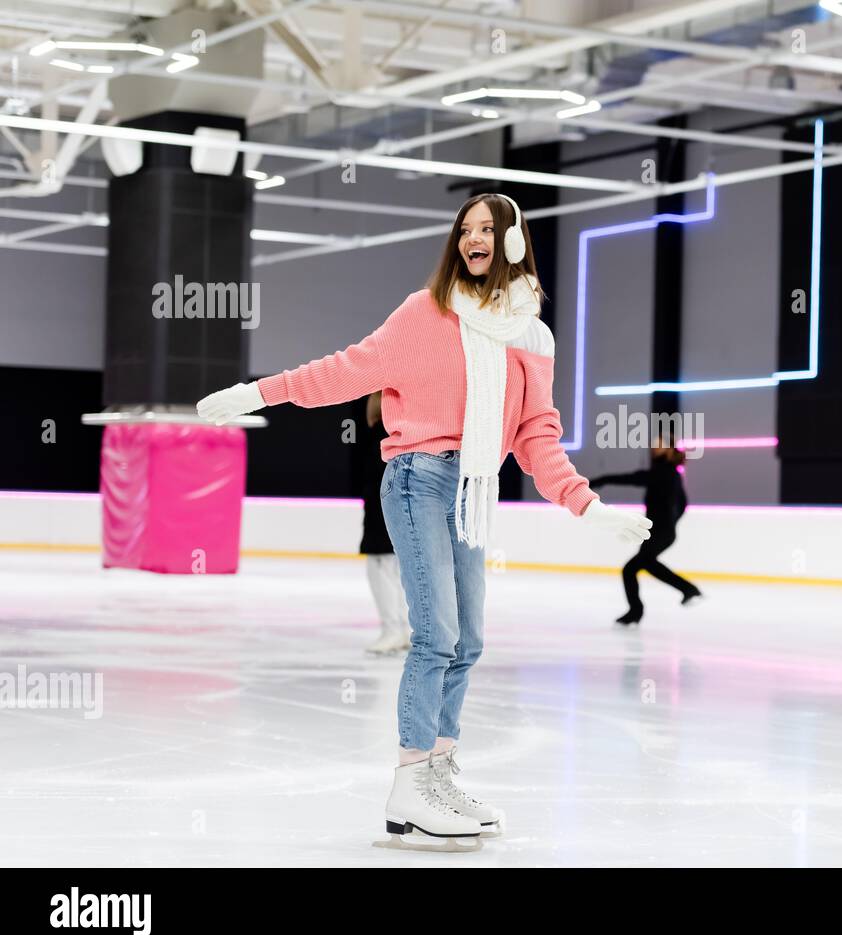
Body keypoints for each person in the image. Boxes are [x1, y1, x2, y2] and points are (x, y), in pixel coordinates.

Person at [197, 193, 651, 852]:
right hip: (417, 479)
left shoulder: (532, 337)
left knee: (467, 640)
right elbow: (345, 371)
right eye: (464, 230)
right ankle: (410, 782)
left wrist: (590, 505)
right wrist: (258, 392)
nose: (473, 239)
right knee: (434, 634)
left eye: (488, 229)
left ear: (515, 242)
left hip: (473, 489)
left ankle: (438, 771)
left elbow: (537, 438)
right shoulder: (426, 313)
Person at [589, 434, 702, 626]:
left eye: (659, 445)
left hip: (660, 532)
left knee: (635, 567)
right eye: (654, 445)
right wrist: (671, 521)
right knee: (636, 568)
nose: (654, 448)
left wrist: (601, 480)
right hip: (661, 531)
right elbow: (683, 504)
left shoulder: (664, 472)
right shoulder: (670, 472)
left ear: (669, 449)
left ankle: (684, 591)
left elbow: (633, 478)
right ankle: (644, 607)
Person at [353, 391, 410, 656]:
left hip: (383, 513)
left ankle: (393, 629)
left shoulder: (379, 435)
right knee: (396, 569)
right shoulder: (404, 436)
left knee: (381, 566)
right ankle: (403, 629)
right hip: (399, 510)